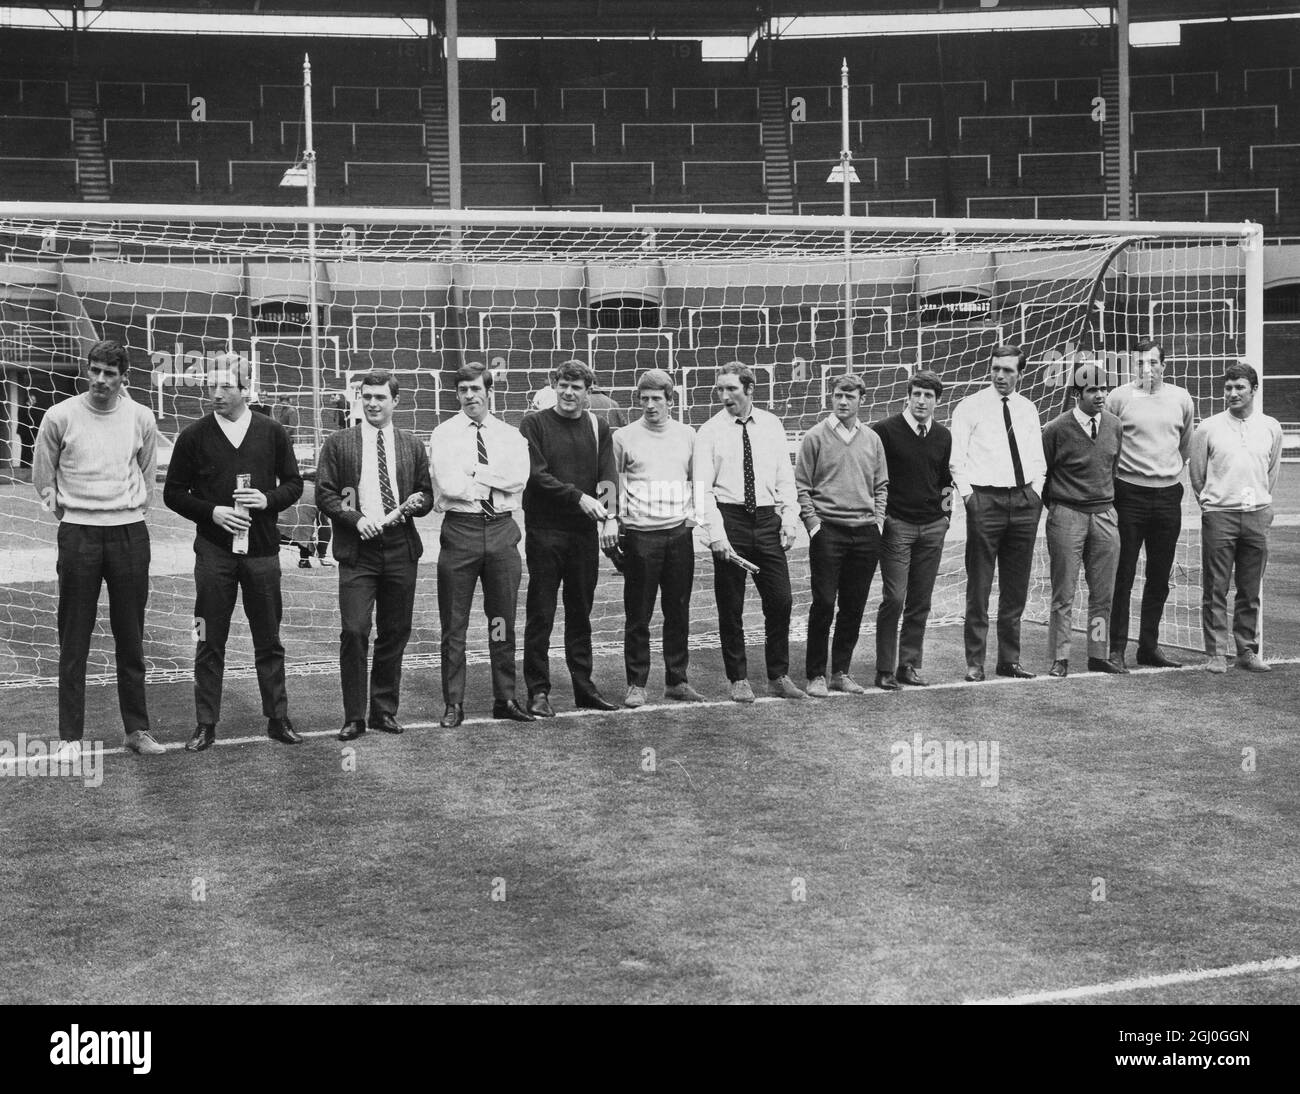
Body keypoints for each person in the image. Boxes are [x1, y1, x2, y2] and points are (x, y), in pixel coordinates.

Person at [32, 338, 165, 758]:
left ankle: (137, 730)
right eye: (94, 371)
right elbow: (44, 476)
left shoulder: (141, 417)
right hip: (79, 536)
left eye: (109, 373)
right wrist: (71, 515)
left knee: (131, 637)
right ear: (86, 371)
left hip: (129, 536)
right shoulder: (59, 416)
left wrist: (130, 512)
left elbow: (147, 477)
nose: (100, 380)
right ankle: (70, 738)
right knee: (74, 638)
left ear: (124, 377)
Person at [164, 354, 304, 750]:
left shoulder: (272, 432)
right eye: (213, 385)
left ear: (247, 390)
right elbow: (172, 493)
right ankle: (206, 723)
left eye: (226, 386)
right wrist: (213, 512)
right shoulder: (193, 436)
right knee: (208, 637)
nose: (216, 393)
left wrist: (267, 499)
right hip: (213, 554)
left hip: (262, 553)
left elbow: (294, 484)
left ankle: (277, 718)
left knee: (269, 639)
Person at [316, 370, 434, 740]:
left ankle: (384, 710)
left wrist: (418, 503)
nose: (372, 403)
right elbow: (326, 493)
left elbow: (425, 494)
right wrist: (355, 519)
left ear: (395, 401)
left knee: (395, 631)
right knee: (354, 630)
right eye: (366, 396)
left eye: (380, 397)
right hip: (357, 550)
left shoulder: (411, 444)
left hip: (400, 547)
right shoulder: (339, 444)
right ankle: (354, 716)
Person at [429, 362, 534, 727]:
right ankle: (453, 703)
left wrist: (476, 471)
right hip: (461, 530)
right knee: (454, 623)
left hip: (503, 530)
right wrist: (494, 478)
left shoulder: (509, 434)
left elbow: (518, 479)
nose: (470, 396)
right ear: (457, 394)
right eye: (463, 390)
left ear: (488, 390)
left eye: (475, 388)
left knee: (501, 620)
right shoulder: (444, 434)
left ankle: (505, 697)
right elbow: (449, 485)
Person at [695, 362, 807, 702]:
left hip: (768, 519)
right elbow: (701, 490)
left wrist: (789, 518)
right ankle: (738, 678)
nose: (724, 395)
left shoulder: (771, 425)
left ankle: (778, 675)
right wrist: (716, 533)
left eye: (731, 389)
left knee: (781, 600)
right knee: (731, 605)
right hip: (730, 521)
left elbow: (785, 477)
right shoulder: (709, 431)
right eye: (720, 389)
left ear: (749, 389)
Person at [519, 360, 621, 717]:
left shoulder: (598, 426)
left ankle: (584, 686)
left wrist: (610, 518)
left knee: (581, 612)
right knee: (541, 612)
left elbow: (608, 477)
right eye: (563, 384)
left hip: (583, 536)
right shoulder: (534, 423)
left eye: (576, 387)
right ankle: (538, 690)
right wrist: (579, 496)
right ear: (554, 385)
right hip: (544, 532)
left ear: (588, 392)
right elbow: (536, 476)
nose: (568, 392)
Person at [950, 343, 1047, 682]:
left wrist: (1035, 493)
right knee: (979, 587)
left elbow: (1037, 458)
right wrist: (969, 498)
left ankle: (1009, 659)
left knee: (1015, 588)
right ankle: (975, 662)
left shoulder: (1027, 409)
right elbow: (956, 459)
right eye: (996, 369)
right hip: (984, 502)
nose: (1000, 376)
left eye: (1008, 370)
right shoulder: (970, 407)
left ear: (1021, 373)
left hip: (1023, 502)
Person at [613, 368, 705, 708]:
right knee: (639, 614)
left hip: (679, 535)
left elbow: (699, 480)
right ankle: (636, 683)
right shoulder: (623, 436)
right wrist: (610, 522)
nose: (650, 405)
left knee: (678, 611)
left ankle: (677, 680)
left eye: (657, 398)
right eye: (645, 399)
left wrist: (694, 521)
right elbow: (609, 483)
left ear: (670, 400)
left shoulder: (688, 435)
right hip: (640, 536)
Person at [794, 373, 888, 697]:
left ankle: (841, 672)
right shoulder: (814, 437)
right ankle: (815, 674)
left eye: (849, 396)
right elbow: (802, 486)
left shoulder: (872, 440)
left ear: (861, 399)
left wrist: (877, 522)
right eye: (838, 395)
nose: (843, 401)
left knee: (854, 605)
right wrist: (814, 525)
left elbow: (881, 486)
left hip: (865, 533)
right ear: (830, 397)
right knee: (823, 602)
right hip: (828, 531)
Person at [1189, 362, 1283, 674]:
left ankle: (1247, 651)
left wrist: (1260, 503)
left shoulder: (1271, 427)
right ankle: (1216, 654)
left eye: (1240, 387)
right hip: (1220, 516)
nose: (1233, 393)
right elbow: (1198, 474)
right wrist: (1212, 504)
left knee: (1249, 588)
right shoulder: (1208, 428)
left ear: (1254, 390)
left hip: (1256, 516)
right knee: (1215, 588)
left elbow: (1271, 473)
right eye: (1228, 387)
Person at [1106, 339, 1195, 669]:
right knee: (1123, 575)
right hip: (1128, 494)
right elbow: (1108, 445)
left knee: (1159, 576)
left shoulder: (1181, 398)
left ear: (1164, 366)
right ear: (1134, 366)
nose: (1148, 369)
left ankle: (1149, 646)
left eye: (1154, 363)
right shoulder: (1118, 398)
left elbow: (1185, 447)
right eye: (1141, 363)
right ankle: (1115, 647)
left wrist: (1164, 474)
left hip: (1168, 496)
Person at [1041, 361, 1125, 677]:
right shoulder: (1056, 429)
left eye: (1104, 388)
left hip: (1104, 514)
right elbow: (1044, 474)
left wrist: (1104, 504)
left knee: (1103, 593)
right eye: (1093, 390)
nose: (1101, 395)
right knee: (1064, 592)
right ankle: (1059, 657)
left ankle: (1097, 653)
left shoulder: (1115, 425)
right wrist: (1061, 507)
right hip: (1067, 514)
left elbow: (1111, 469)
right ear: (1078, 394)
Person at [872, 369, 953, 689]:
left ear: (936, 401)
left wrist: (946, 519)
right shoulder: (885, 431)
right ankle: (884, 668)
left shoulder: (943, 436)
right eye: (916, 394)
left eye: (928, 396)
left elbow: (947, 482)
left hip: (932, 528)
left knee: (921, 600)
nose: (921, 400)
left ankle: (908, 664)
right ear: (908, 395)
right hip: (897, 527)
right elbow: (875, 478)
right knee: (894, 597)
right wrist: (884, 518)